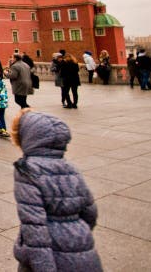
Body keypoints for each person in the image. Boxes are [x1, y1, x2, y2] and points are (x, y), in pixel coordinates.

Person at [11, 109, 102, 271]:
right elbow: (90, 212)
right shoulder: (71, 168)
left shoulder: (28, 171)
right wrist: (75, 233)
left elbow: (34, 228)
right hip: (85, 252)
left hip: (53, 257)